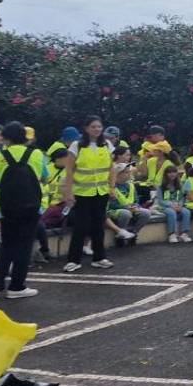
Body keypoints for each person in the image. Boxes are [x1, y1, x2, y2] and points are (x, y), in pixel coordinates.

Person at [0, 122, 46, 299]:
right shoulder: (36, 154)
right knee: (24, 246)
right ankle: (17, 287)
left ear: (5, 137)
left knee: (7, 245)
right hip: (30, 205)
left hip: (7, 207)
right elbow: (42, 176)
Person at [61, 116, 116, 272]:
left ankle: (99, 258)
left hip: (101, 191)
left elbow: (111, 168)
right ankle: (74, 260)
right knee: (81, 226)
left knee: (98, 225)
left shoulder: (106, 144)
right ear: (86, 129)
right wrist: (69, 193)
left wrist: (112, 187)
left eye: (99, 126)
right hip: (82, 193)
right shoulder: (77, 145)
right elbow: (69, 170)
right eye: (93, 126)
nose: (97, 129)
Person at [106, 164, 152, 246]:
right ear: (118, 174)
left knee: (146, 213)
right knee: (126, 213)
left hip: (130, 208)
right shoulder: (110, 187)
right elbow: (111, 205)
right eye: (126, 172)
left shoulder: (130, 185)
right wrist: (127, 208)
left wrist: (136, 206)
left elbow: (136, 199)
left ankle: (133, 234)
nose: (129, 174)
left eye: (129, 172)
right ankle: (120, 236)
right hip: (113, 210)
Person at [154, 165, 192, 243]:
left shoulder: (179, 185)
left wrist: (180, 205)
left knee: (186, 212)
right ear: (166, 174)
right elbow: (160, 201)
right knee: (171, 212)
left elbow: (182, 198)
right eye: (170, 172)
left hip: (177, 205)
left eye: (174, 172)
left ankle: (184, 233)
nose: (172, 174)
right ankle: (172, 234)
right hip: (164, 206)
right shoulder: (161, 186)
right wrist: (171, 205)